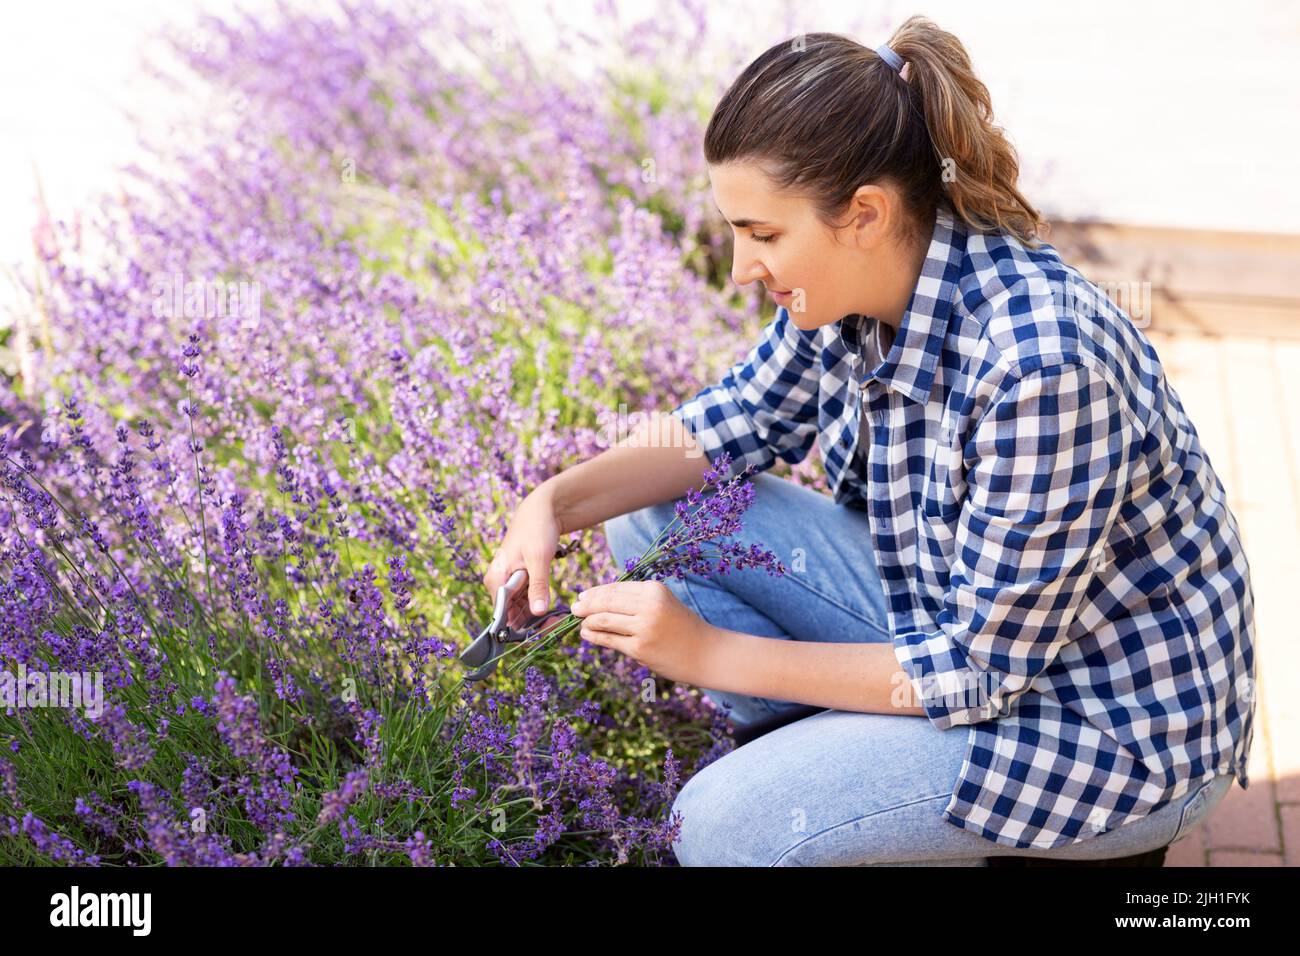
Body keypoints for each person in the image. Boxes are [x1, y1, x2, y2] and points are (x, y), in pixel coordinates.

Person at [484, 17, 1255, 866]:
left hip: (1102, 724)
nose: (743, 269)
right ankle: (848, 781)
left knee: (720, 826)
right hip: (955, 620)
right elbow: (724, 421)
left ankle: (851, 798)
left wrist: (707, 653)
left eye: (763, 235)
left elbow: (976, 675)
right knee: (660, 515)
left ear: (863, 215)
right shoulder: (853, 286)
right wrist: (553, 501)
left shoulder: (1040, 369)